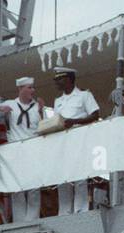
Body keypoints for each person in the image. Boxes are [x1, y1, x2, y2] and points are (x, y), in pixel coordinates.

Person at [51, 67, 99, 213]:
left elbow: (95, 115)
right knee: (63, 178)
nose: (57, 82)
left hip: (80, 142)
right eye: (56, 79)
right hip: (62, 144)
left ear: (70, 79)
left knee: (80, 177)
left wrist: (75, 122)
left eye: (60, 79)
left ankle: (81, 210)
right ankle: (64, 212)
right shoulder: (58, 101)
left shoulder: (84, 95)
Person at [0, 77, 43, 221]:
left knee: (34, 186)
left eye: (33, 87)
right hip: (16, 151)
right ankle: (19, 219)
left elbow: (45, 126)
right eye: (29, 87)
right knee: (17, 185)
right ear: (20, 89)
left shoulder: (37, 107)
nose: (33, 90)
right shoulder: (10, 104)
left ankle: (33, 218)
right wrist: (0, 110)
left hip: (34, 149)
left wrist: (42, 112)